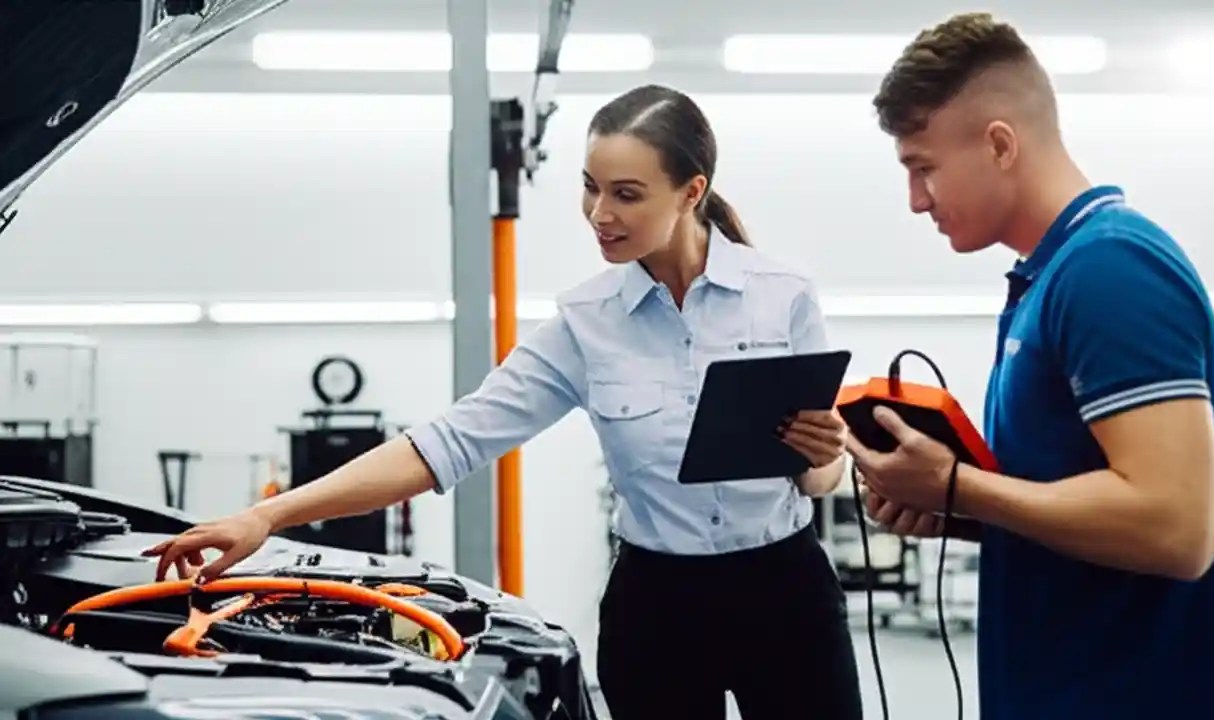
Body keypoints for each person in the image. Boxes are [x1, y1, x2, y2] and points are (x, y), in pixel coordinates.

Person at [142, 84, 864, 720]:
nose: (598, 214)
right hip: (660, 606)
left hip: (785, 592)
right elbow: (449, 442)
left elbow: (816, 476)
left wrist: (824, 457)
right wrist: (268, 515)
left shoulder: (782, 297)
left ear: (691, 191)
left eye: (626, 194)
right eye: (590, 186)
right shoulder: (587, 323)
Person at [845, 12, 1214, 720]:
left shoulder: (1110, 269)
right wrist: (954, 510)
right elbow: (1084, 512)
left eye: (923, 168)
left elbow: (1179, 530)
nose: (915, 202)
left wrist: (961, 488)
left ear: (999, 144)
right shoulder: (1050, 277)